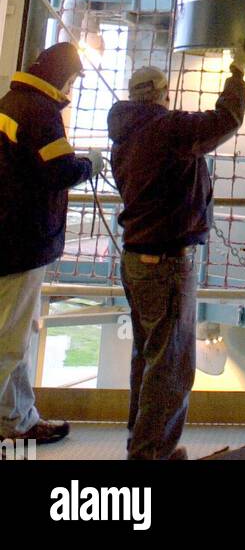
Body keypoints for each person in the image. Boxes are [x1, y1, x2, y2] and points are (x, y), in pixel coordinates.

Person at [107, 45, 245, 461]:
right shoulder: (167, 128)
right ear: (163, 94)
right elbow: (226, 119)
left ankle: (146, 445)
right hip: (165, 263)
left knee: (149, 359)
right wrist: (237, 70)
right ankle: (151, 454)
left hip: (137, 259)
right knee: (170, 366)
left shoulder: (124, 135)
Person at [0, 41, 101, 446]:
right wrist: (91, 164)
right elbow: (59, 170)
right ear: (62, 77)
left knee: (13, 338)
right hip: (23, 244)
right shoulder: (41, 112)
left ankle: (18, 419)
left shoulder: (10, 103)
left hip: (8, 239)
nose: (72, 88)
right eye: (73, 79)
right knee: (8, 344)